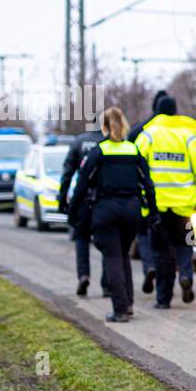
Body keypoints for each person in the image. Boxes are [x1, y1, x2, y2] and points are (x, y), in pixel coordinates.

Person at [71, 108, 157, 323]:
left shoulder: (99, 152)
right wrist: (152, 212)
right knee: (123, 255)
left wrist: (73, 213)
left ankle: (120, 310)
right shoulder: (134, 151)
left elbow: (81, 186)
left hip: (106, 210)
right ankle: (127, 305)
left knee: (112, 257)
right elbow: (148, 184)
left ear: (104, 126)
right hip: (131, 210)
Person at [133, 94, 196, 309]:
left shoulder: (148, 136)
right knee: (187, 244)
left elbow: (136, 167)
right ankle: (186, 276)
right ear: (175, 111)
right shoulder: (188, 137)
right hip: (186, 208)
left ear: (158, 112)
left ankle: (163, 299)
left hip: (158, 210)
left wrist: (138, 199)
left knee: (161, 253)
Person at [57, 124, 107, 297]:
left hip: (84, 198)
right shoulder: (107, 142)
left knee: (82, 238)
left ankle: (83, 275)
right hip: (103, 199)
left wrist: (63, 198)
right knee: (108, 242)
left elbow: (67, 173)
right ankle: (107, 284)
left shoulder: (79, 142)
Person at [128, 90, 167, 294]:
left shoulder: (138, 132)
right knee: (173, 240)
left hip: (142, 195)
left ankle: (149, 267)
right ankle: (170, 276)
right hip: (174, 198)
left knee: (143, 235)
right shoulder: (179, 133)